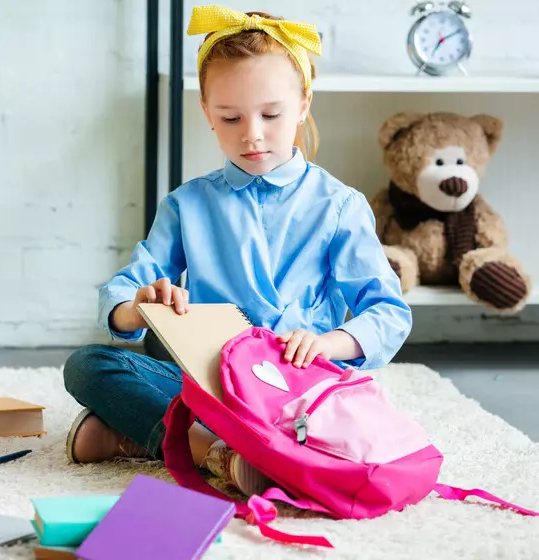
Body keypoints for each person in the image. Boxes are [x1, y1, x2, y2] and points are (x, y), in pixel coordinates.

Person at [62, 5, 412, 496]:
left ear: (303, 104)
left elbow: (388, 313)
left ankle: (143, 436)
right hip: (210, 385)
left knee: (341, 420)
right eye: (230, 117)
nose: (252, 134)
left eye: (271, 115)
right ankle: (216, 450)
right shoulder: (188, 204)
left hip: (296, 385)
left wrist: (329, 343)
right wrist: (137, 308)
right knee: (87, 365)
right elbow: (120, 290)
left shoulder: (340, 206)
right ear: (207, 112)